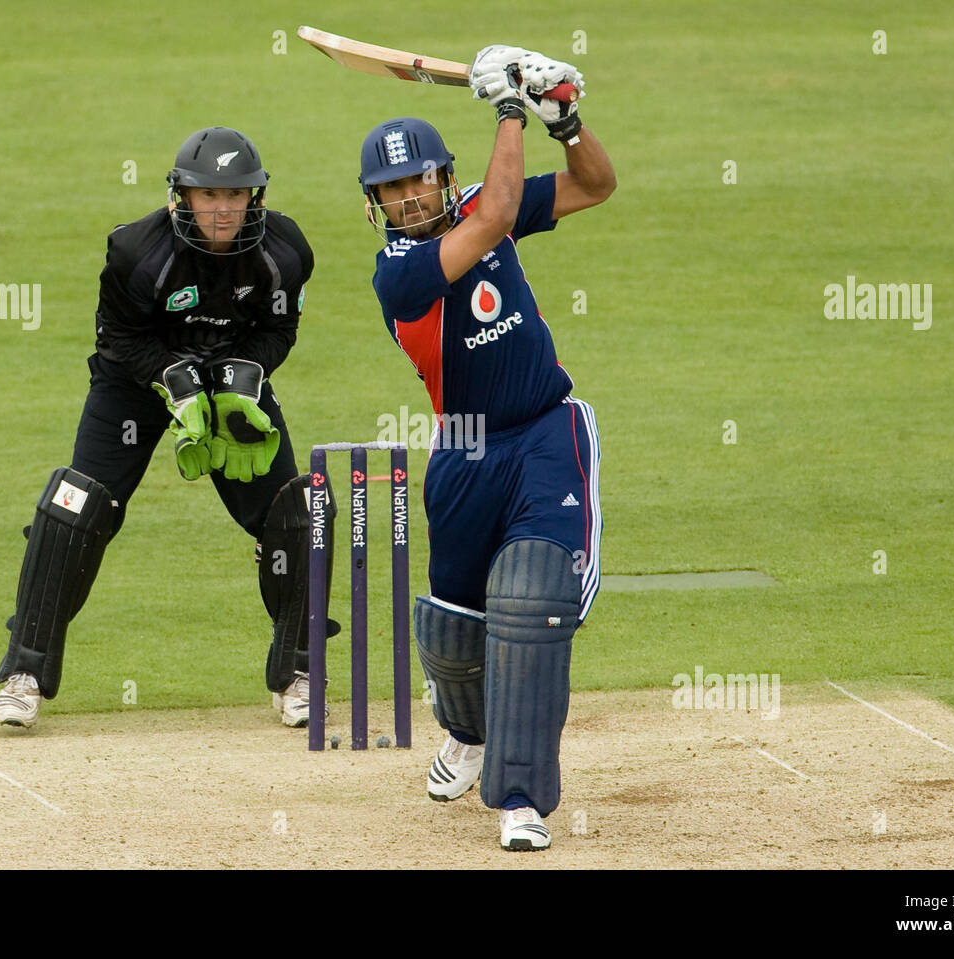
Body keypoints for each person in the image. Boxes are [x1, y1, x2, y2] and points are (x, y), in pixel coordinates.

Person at [0, 126, 337, 731]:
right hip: (134, 386)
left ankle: (299, 673)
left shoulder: (286, 251)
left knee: (298, 512)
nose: (224, 208)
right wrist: (174, 380)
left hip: (232, 389)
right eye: (209, 194)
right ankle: (24, 674)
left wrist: (240, 377)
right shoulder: (136, 252)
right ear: (182, 195)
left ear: (255, 197)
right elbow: (118, 339)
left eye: (237, 194)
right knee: (75, 509)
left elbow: (279, 331)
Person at [357, 46, 615, 850]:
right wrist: (509, 108)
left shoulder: (477, 200)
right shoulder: (398, 273)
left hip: (544, 429)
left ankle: (521, 799)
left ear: (443, 177)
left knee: (532, 602)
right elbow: (496, 218)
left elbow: (595, 185)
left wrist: (563, 121)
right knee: (454, 629)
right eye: (390, 189)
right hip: (464, 452)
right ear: (376, 203)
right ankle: (467, 734)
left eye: (418, 180)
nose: (407, 199)